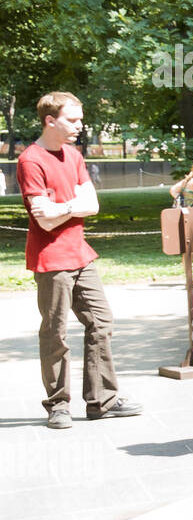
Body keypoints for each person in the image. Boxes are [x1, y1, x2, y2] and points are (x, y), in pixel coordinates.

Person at [16, 91, 143, 429]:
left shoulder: (73, 156)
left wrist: (63, 207)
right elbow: (43, 219)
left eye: (80, 119)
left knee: (101, 322)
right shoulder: (31, 159)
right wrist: (75, 204)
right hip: (51, 258)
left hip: (80, 254)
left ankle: (102, 399)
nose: (79, 125)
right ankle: (58, 405)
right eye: (72, 120)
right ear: (50, 121)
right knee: (55, 333)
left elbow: (93, 204)